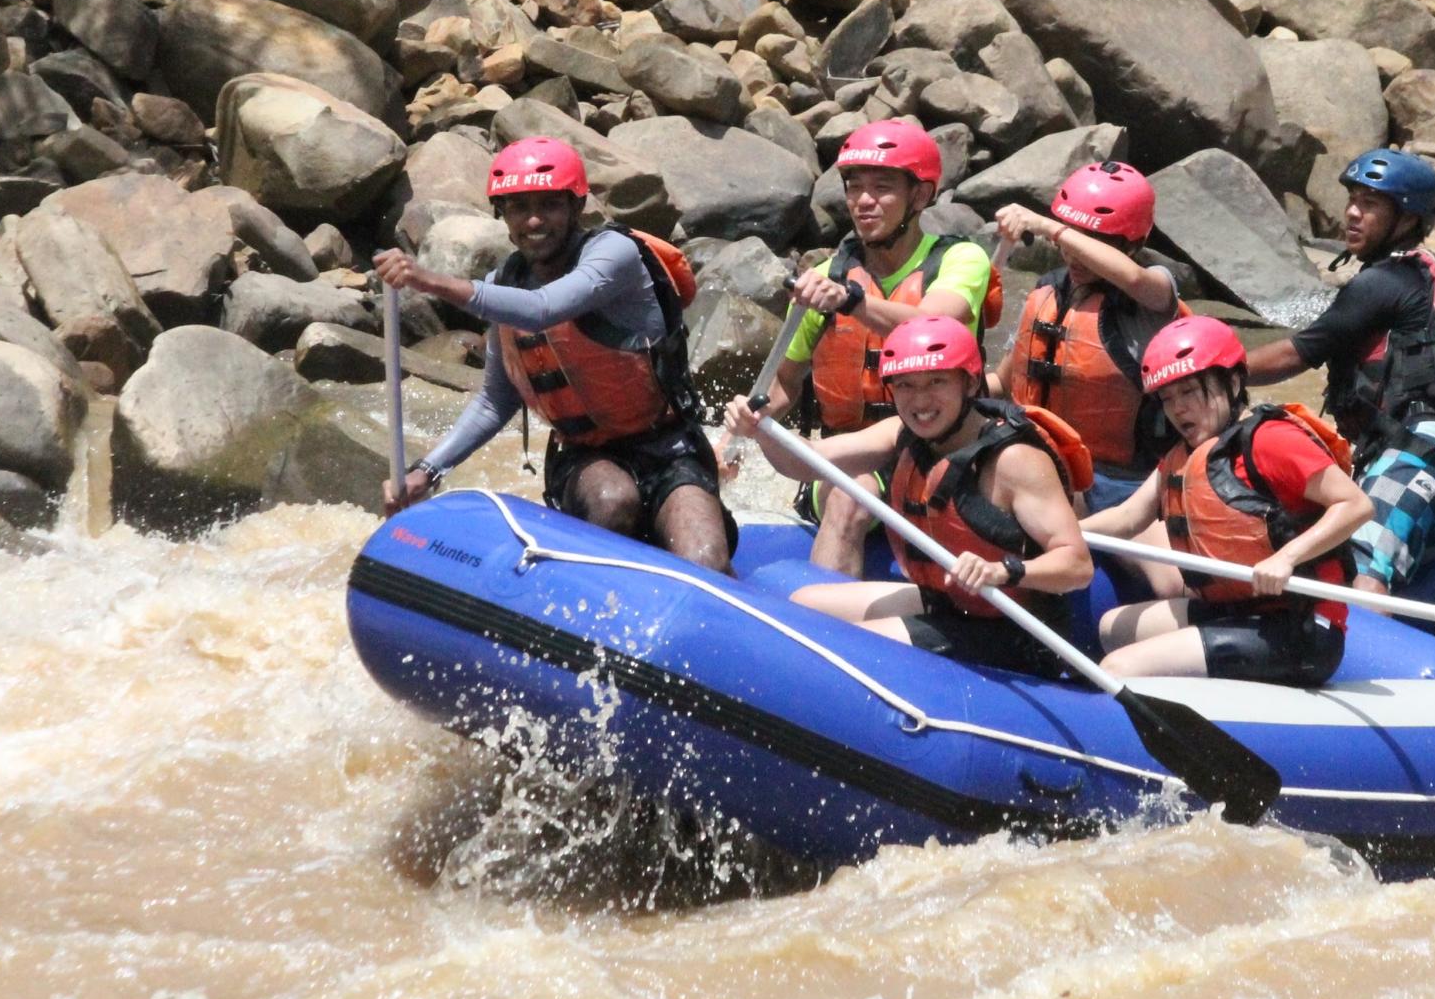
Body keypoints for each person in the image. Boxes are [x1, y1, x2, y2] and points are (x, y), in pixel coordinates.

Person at [374, 136, 734, 573]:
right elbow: (494, 402)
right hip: (585, 458)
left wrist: (433, 282)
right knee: (612, 499)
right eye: (518, 207)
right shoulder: (504, 281)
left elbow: (545, 308)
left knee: (707, 561)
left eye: (549, 205)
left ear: (576, 207)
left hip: (671, 447)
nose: (533, 220)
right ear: (503, 217)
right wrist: (427, 471)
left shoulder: (613, 255)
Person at [723, 315, 1094, 676]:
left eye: (936, 382)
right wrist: (760, 431)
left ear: (969, 383)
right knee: (803, 606)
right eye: (906, 386)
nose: (920, 401)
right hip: (948, 602)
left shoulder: (1014, 461)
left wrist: (1004, 570)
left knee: (840, 646)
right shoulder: (903, 432)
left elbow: (1077, 565)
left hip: (1014, 630)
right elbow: (806, 463)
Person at [732, 119, 999, 576]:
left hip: (936, 449)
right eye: (854, 188)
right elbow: (784, 381)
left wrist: (852, 301)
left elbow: (935, 323)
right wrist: (740, 432)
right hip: (848, 458)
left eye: (882, 188)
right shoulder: (833, 273)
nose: (864, 201)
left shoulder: (959, 259)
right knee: (853, 493)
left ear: (920, 196)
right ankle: (820, 622)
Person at [1085, 316, 1375, 684]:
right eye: (1168, 398)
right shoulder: (1183, 456)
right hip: (1235, 609)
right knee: (1113, 628)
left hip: (1299, 627)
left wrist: (1286, 557)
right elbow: (1127, 518)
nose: (1179, 409)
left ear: (1233, 382)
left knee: (1117, 670)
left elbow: (1356, 505)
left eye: (1190, 392)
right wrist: (1056, 535)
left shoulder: (1270, 440)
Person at [1241, 148, 1435, 598]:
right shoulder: (1405, 277)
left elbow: (1297, 354)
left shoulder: (1390, 280)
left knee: (1362, 570)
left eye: (1370, 204)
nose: (1351, 213)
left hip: (1423, 453)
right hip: (1402, 452)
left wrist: (1208, 370)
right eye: (1352, 199)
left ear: (1406, 219)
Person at [991, 161, 1188, 514]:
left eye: (1094, 240)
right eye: (1072, 236)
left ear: (1134, 244)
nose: (1075, 254)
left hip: (1120, 482)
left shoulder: (1152, 296)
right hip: (1037, 459)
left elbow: (1133, 279)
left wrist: (1053, 229)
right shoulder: (1047, 293)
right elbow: (1003, 382)